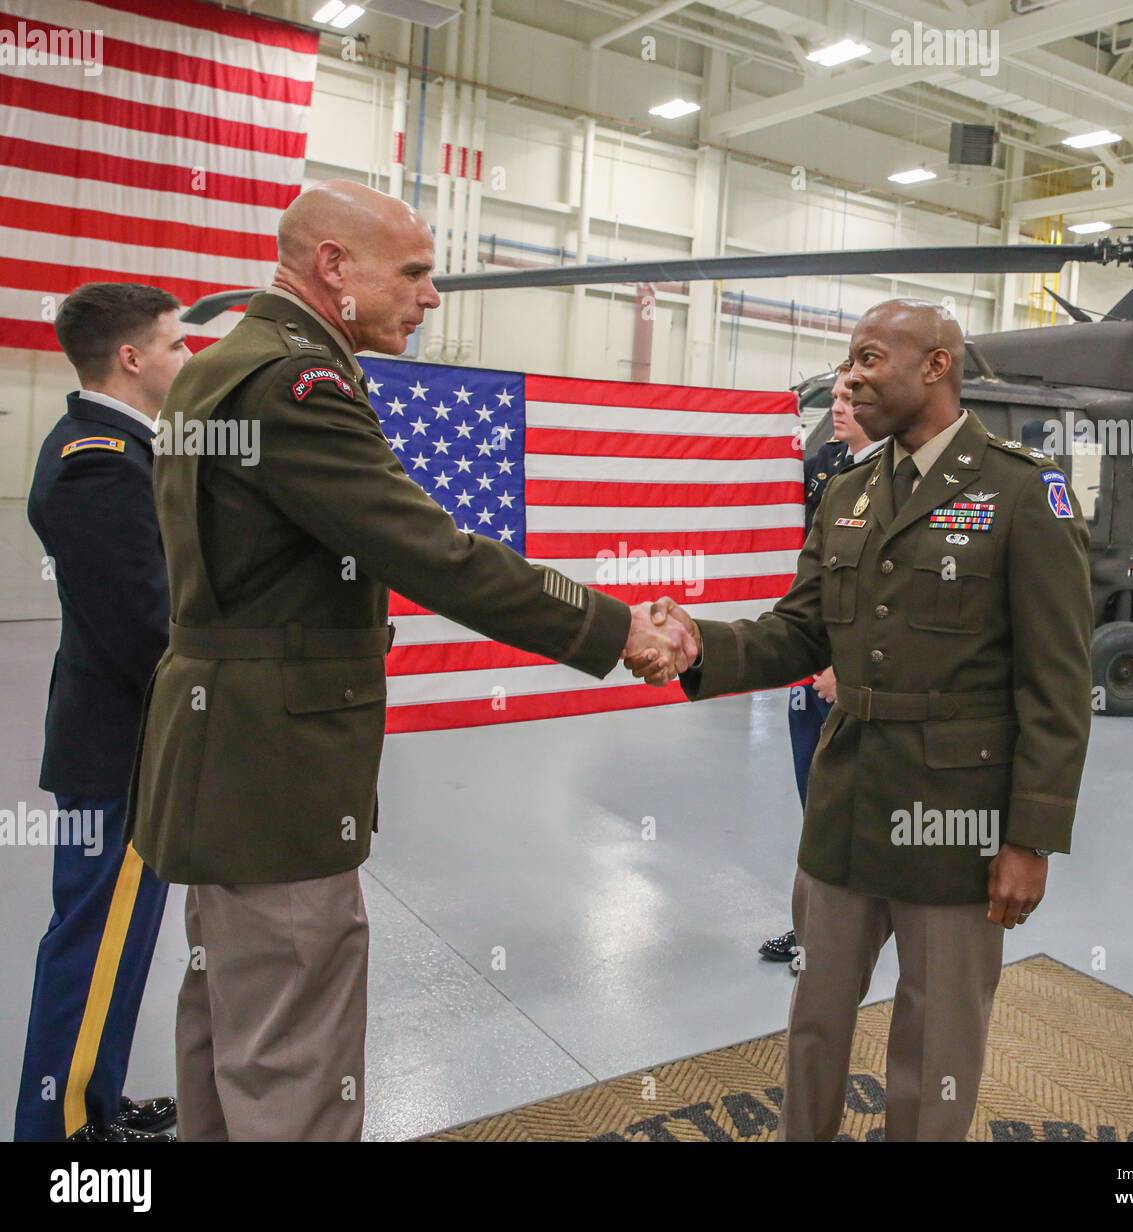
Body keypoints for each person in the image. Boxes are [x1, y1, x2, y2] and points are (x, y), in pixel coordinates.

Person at [124, 180, 694, 1141]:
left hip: (227, 752)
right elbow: (432, 552)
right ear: (332, 267)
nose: (430, 298)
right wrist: (616, 628)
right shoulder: (294, 383)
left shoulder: (228, 364)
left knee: (229, 1028)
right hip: (277, 772)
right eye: (416, 273)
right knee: (293, 1054)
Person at [637, 298, 1092, 1141]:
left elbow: (1059, 684)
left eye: (871, 357)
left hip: (957, 815)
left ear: (936, 366)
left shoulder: (1023, 492)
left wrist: (1030, 839)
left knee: (938, 1035)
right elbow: (800, 630)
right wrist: (702, 644)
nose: (850, 376)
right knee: (815, 1019)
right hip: (845, 803)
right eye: (849, 359)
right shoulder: (848, 491)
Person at [17, 283, 190, 1142]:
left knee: (113, 943)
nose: (185, 357)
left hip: (124, 741)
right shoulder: (99, 461)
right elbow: (147, 627)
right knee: (93, 945)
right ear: (131, 358)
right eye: (175, 344)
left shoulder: (122, 449)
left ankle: (94, 1102)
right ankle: (60, 1142)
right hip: (121, 745)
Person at [761, 360, 882, 964]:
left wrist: (847, 666)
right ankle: (809, 928)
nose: (837, 407)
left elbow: (882, 598)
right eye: (833, 397)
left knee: (846, 808)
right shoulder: (822, 470)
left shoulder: (892, 478)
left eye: (849, 397)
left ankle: (836, 938)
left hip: (851, 677)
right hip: (808, 669)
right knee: (813, 798)